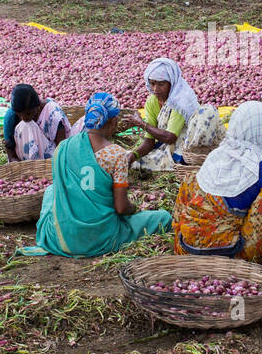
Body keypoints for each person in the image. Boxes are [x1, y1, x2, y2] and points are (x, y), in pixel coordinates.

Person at [34, 93, 172, 257]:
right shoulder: (117, 155)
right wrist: (134, 208)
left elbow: (61, 188)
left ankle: (67, 231)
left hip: (62, 238)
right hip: (99, 237)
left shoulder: (63, 147)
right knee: (163, 217)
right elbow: (121, 208)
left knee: (51, 191)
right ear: (114, 122)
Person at [172, 101, 262, 263]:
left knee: (192, 178)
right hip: (232, 257)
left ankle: (182, 238)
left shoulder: (216, 156)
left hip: (188, 249)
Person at [124, 57, 224, 171]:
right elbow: (149, 141)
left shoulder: (180, 101)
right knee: (128, 158)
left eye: (161, 84)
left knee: (207, 111)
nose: (156, 89)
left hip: (188, 146)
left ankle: (185, 160)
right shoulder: (152, 101)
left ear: (171, 83)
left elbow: (170, 137)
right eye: (152, 83)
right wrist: (135, 154)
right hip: (169, 145)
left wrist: (143, 125)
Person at [3, 84, 71, 162]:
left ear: (38, 106)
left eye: (29, 113)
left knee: (29, 125)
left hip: (52, 158)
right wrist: (18, 166)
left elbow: (62, 146)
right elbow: (11, 153)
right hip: (24, 160)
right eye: (19, 114)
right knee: (27, 125)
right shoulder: (11, 116)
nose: (23, 118)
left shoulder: (53, 112)